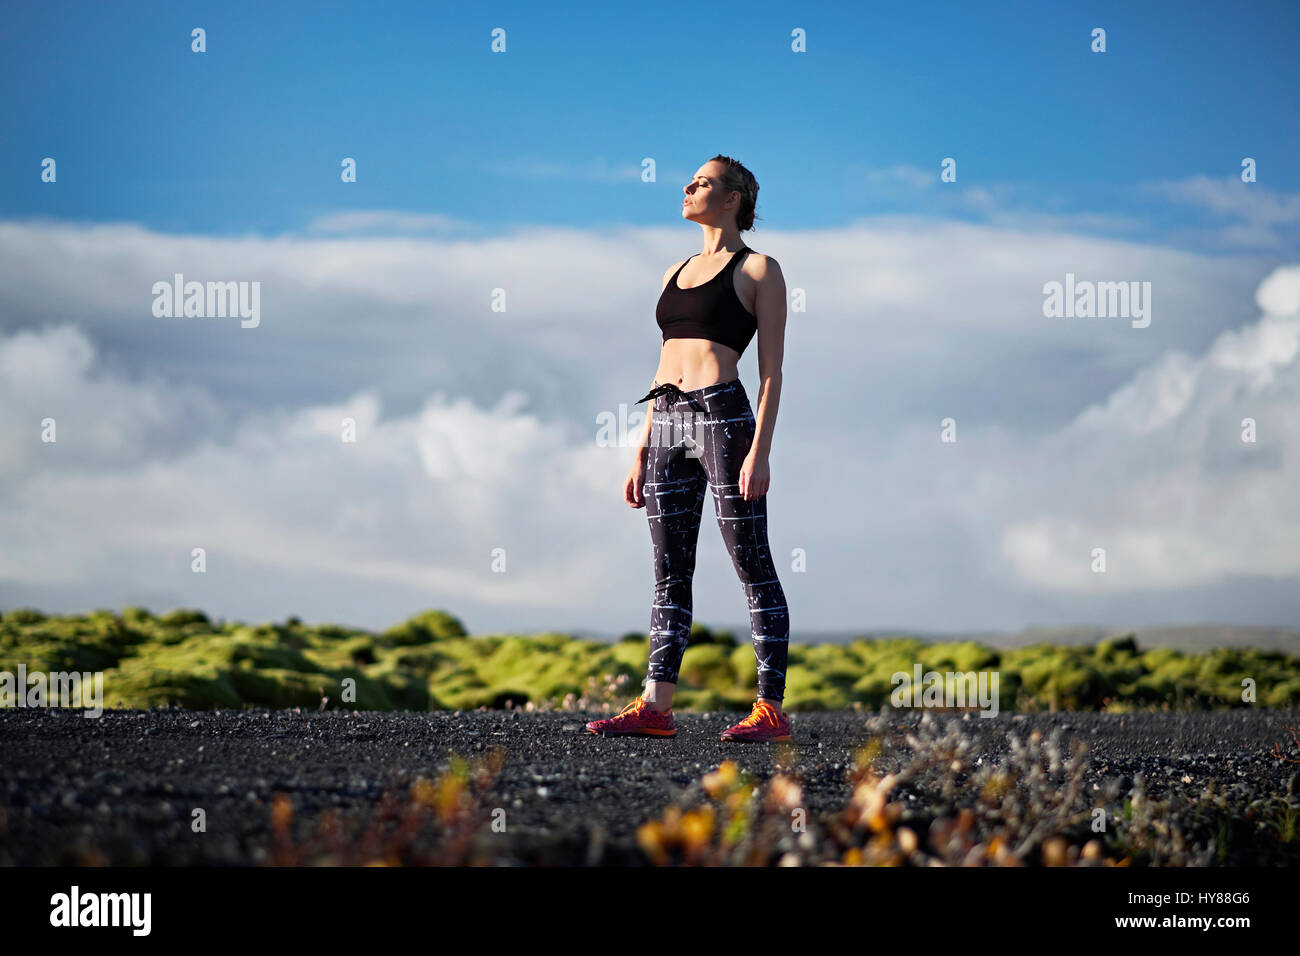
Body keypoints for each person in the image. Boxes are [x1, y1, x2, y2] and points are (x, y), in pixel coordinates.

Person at [586, 155, 791, 742]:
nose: (687, 187)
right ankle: (656, 708)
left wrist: (762, 451)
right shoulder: (673, 270)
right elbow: (662, 365)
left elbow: (772, 369)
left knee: (752, 562)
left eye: (701, 182)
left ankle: (770, 709)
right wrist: (640, 449)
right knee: (669, 572)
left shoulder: (759, 270)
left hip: (723, 416)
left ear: (733, 199)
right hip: (668, 421)